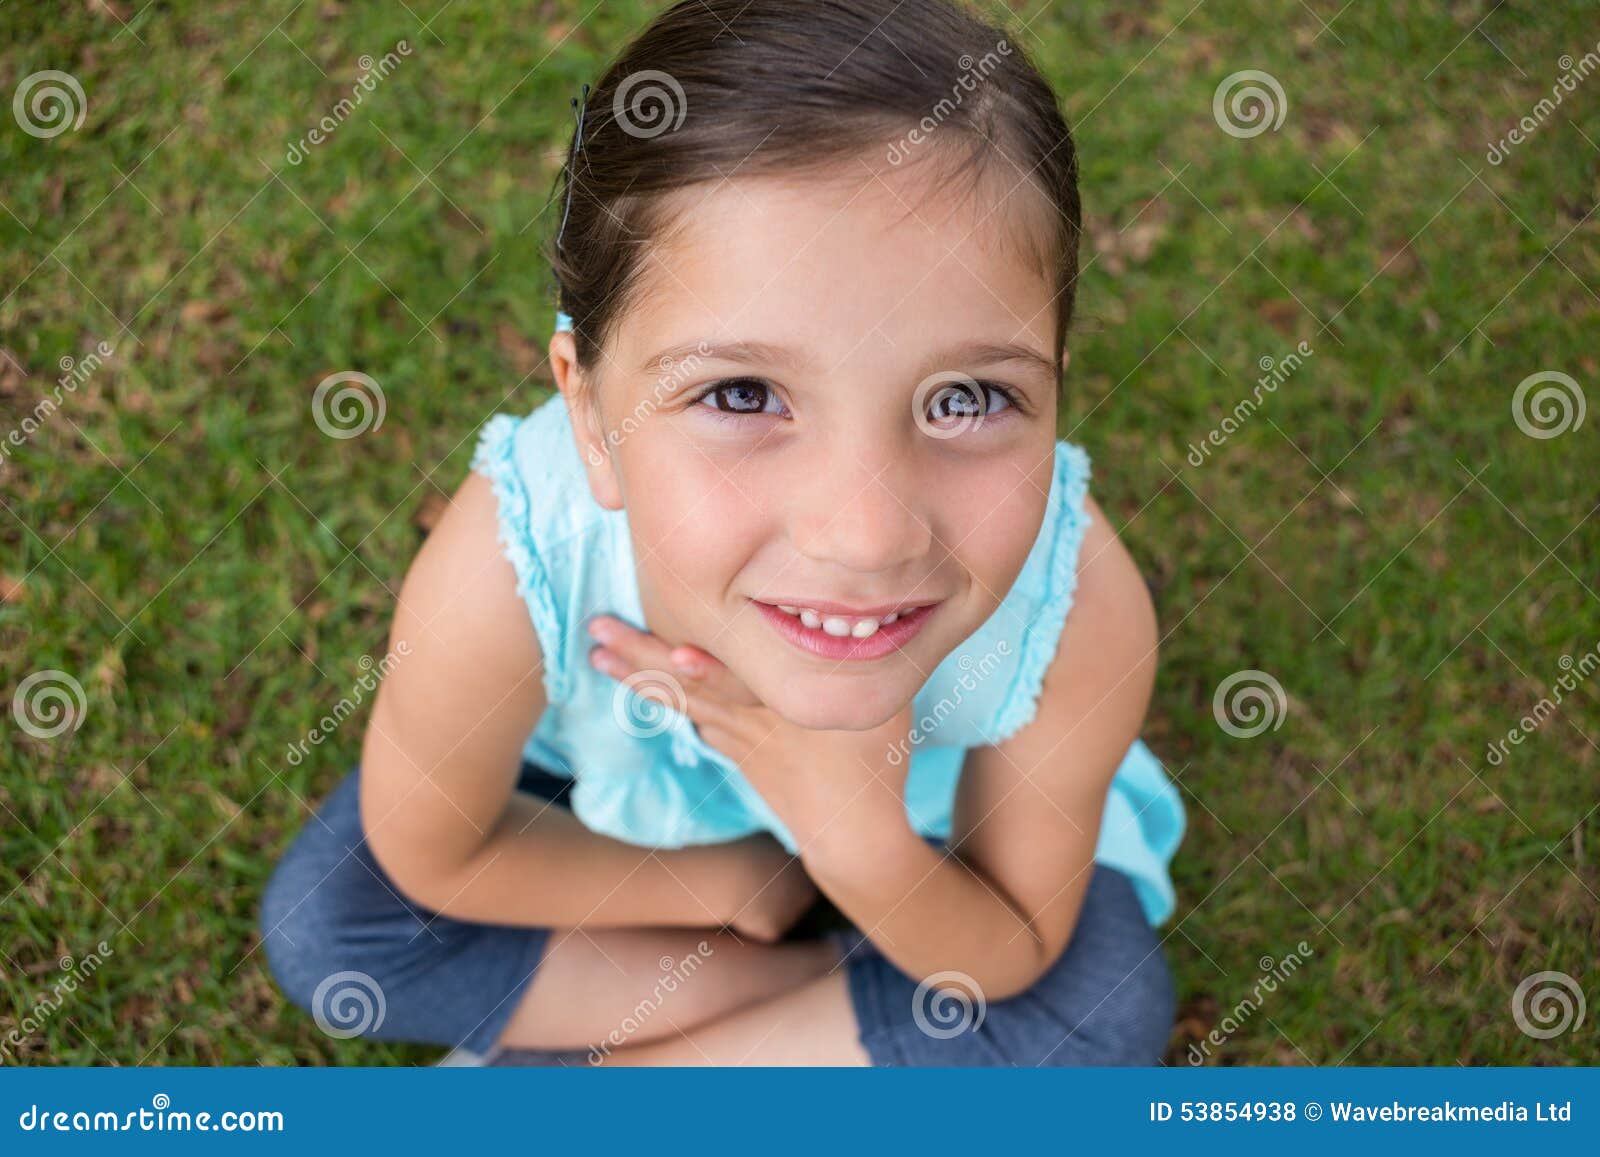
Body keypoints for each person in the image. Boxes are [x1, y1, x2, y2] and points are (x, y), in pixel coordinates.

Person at [261, 0, 1185, 1066]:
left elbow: (1010, 948)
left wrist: (853, 835)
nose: (866, 537)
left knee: (1094, 1015)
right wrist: (735, 881)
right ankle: (837, 1000)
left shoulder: (1081, 610)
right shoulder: (514, 562)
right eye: (742, 394)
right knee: (334, 926)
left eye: (968, 398)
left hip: (930, 842)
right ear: (593, 420)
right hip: (615, 815)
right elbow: (434, 854)